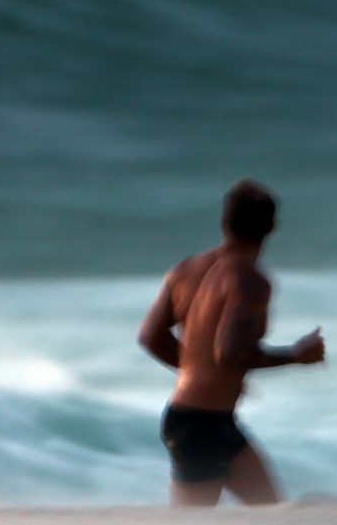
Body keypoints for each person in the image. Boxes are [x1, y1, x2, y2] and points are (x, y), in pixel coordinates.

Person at [137, 179, 325, 506]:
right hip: (200, 426)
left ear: (224, 222)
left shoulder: (184, 271)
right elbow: (232, 352)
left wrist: (201, 375)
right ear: (272, 227)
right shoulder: (250, 281)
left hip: (206, 419)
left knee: (270, 513)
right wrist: (295, 355)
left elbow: (150, 337)